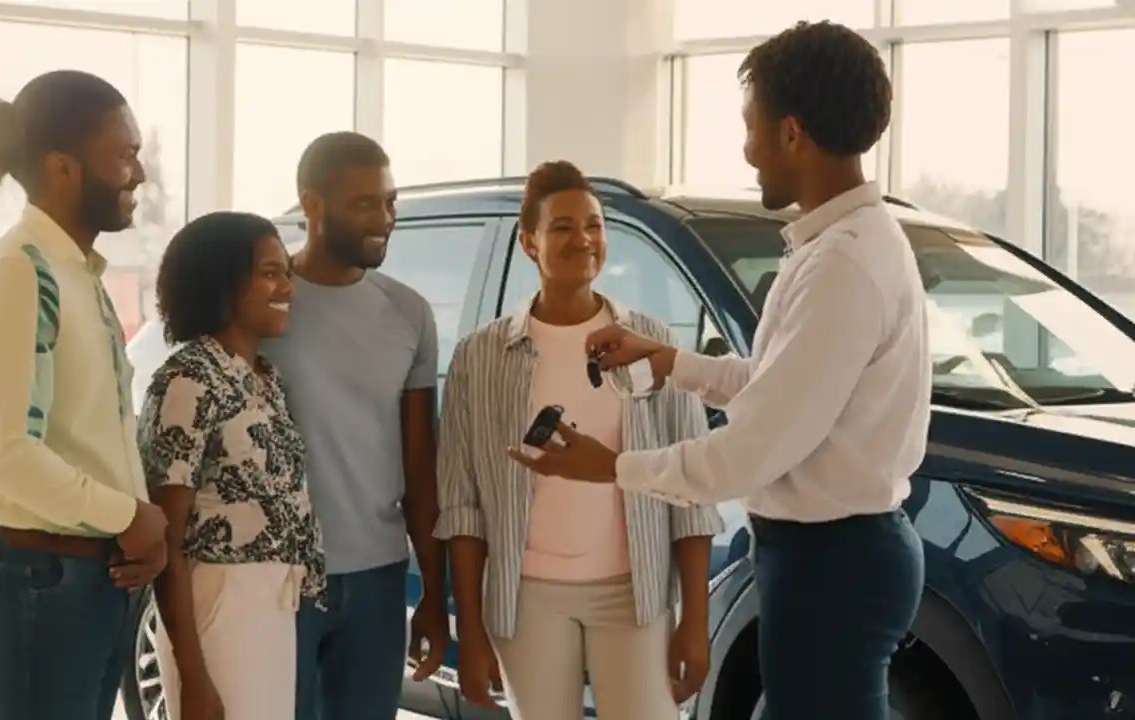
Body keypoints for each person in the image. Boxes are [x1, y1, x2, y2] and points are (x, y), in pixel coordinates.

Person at [508, 21, 930, 720]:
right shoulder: (842, 246)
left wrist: (609, 468)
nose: (748, 150)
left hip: (833, 565)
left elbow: (749, 452)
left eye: (752, 127)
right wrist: (672, 362)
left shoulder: (844, 265)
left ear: (792, 133)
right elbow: (783, 386)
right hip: (829, 559)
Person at [436, 160, 724, 720]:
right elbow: (462, 505)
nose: (584, 239)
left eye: (593, 225)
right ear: (529, 242)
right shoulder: (480, 355)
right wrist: (468, 630)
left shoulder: (651, 342)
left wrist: (694, 620)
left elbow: (691, 492)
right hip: (528, 599)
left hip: (633, 591)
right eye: (563, 227)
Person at [0, 70, 168, 720]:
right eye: (123, 155)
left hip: (80, 577)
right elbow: (8, 455)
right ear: (63, 168)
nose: (139, 173)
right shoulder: (21, 274)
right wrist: (129, 517)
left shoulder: (78, 273)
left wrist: (137, 524)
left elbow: (90, 436)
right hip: (35, 582)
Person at [260, 131, 449, 720]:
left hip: (376, 578)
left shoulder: (408, 312)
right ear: (311, 204)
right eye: (365, 203)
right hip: (274, 574)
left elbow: (420, 465)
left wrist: (435, 596)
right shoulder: (260, 305)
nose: (386, 218)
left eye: (390, 202)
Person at [139, 211, 325, 720]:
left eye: (286, 271)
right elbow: (165, 543)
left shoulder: (264, 376)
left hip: (272, 601)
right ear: (222, 282)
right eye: (270, 273)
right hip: (218, 602)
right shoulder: (187, 381)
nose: (288, 285)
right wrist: (193, 675)